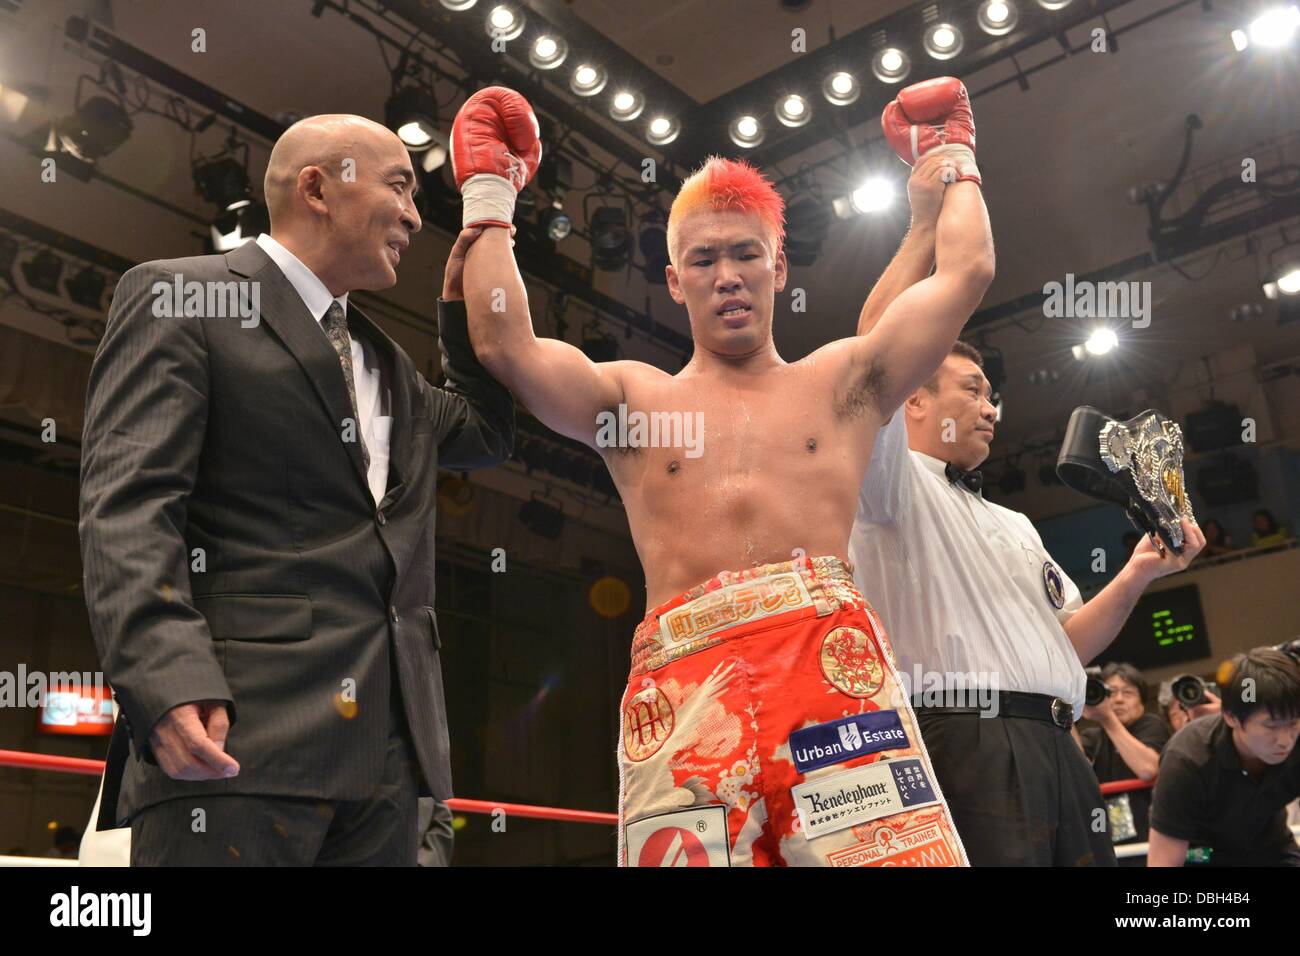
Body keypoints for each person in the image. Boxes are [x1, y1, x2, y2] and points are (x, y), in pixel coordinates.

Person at [451, 79, 995, 866]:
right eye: (703, 259)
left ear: (779, 266)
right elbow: (506, 347)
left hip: (828, 667)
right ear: (676, 282)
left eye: (745, 254)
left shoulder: (842, 384)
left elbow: (967, 272)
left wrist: (953, 158)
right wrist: (490, 191)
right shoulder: (635, 402)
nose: (726, 275)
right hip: (683, 685)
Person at [79, 114, 515, 865]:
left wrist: (467, 287)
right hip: (241, 736)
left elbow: (485, 431)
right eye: (401, 186)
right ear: (319, 187)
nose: (415, 214)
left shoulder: (390, 368)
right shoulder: (183, 295)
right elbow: (129, 506)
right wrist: (164, 677)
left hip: (393, 761)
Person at [848, 181, 1205, 866]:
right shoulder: (886, 483)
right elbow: (873, 354)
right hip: (965, 741)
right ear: (913, 399)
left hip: (1059, 742)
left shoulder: (1013, 522)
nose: (991, 409)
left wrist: (1138, 573)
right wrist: (923, 227)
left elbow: (1068, 645)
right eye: (973, 391)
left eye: (994, 396)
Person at [1148, 648, 1300, 866]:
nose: (1285, 740)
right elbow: (1163, 862)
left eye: (1293, 722)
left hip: (1271, 849)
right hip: (1203, 856)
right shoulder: (1186, 760)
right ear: (1231, 717)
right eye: (1271, 726)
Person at [1076, 663, 1170, 860]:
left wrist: (1108, 719)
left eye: (1127, 693)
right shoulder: (1093, 736)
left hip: (1152, 843)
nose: (1118, 700)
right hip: (1111, 845)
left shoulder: (1151, 724)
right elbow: (1075, 772)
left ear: (1142, 702)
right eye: (1111, 692)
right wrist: (1066, 711)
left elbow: (1147, 769)